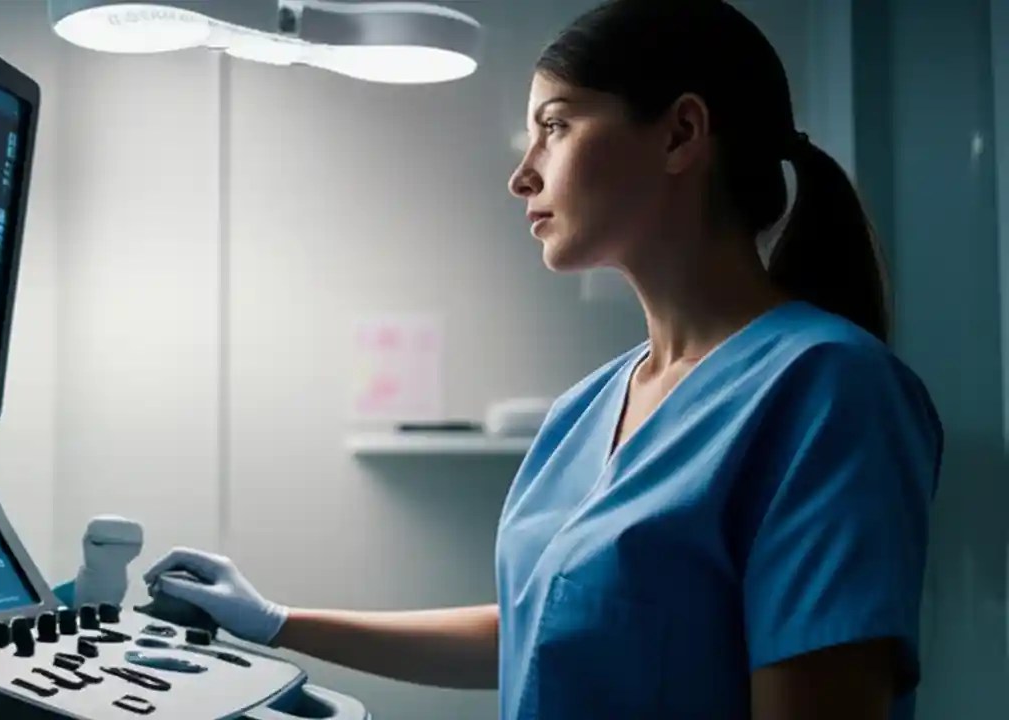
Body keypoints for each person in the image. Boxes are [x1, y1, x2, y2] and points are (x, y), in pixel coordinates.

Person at [142, 0, 944, 717]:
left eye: (554, 125)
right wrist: (279, 622)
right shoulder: (586, 410)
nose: (522, 173)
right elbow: (539, 632)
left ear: (680, 133)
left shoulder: (829, 390)